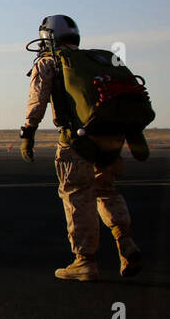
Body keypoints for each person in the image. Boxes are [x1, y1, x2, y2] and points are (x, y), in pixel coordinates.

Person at [21, 14, 150, 281]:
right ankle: (124, 242)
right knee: (107, 191)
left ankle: (85, 261)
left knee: (77, 197)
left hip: (76, 142)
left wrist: (28, 132)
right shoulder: (97, 62)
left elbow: (38, 101)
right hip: (111, 141)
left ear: (48, 36)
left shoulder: (50, 62)